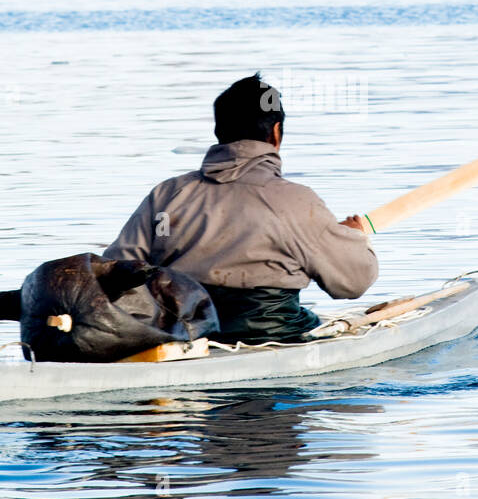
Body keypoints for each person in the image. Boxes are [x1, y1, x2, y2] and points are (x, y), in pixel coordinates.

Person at [103, 73, 378, 344]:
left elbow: (118, 271)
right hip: (271, 336)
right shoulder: (297, 201)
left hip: (183, 336)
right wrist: (354, 238)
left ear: (218, 132)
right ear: (276, 133)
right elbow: (353, 283)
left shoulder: (167, 194)